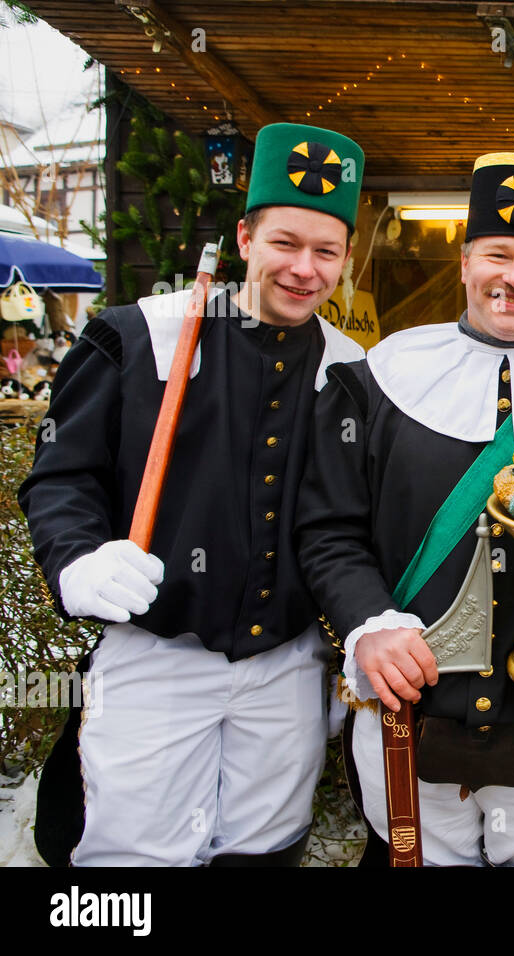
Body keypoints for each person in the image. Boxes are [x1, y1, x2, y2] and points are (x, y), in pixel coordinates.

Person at [19, 122, 367, 866]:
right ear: (245, 237)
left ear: (346, 258)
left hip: (287, 665)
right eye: (286, 243)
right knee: (133, 860)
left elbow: (349, 520)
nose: (305, 269)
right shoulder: (137, 335)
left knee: (266, 850)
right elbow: (61, 474)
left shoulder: (352, 370)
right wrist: (77, 558)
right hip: (156, 654)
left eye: (326, 251)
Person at [295, 152, 514, 867]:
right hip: (406, 709)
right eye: (498, 255)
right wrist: (368, 625)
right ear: (465, 261)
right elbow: (329, 531)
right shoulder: (376, 379)